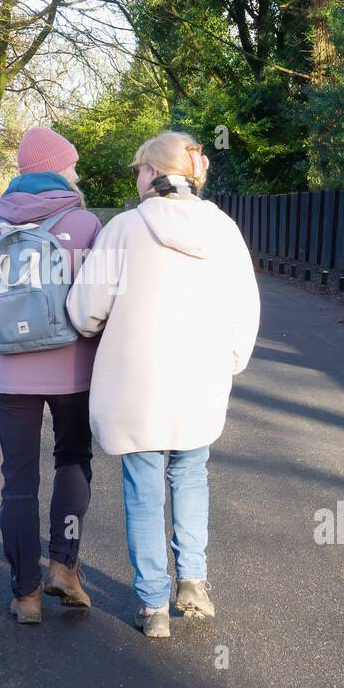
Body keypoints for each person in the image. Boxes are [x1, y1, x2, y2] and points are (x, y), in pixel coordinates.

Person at [67, 131, 260, 638]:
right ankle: (193, 580)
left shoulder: (123, 229)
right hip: (201, 377)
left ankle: (153, 606)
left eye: (138, 169)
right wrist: (232, 359)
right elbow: (246, 302)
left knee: (144, 487)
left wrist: (94, 327)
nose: (135, 177)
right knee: (192, 472)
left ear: (152, 172)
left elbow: (87, 311)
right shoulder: (222, 229)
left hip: (139, 382)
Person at [0, 128, 102, 625]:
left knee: (17, 482)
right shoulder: (84, 224)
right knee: (72, 462)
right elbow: (101, 304)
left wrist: (4, 345)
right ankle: (64, 565)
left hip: (9, 378)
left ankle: (25, 596)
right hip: (74, 373)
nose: (77, 173)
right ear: (58, 168)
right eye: (73, 164)